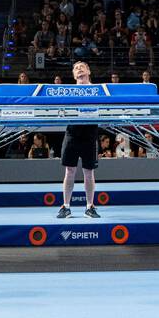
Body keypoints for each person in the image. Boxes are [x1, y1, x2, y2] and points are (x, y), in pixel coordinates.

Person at [57, 60, 102, 219]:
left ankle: (90, 207)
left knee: (89, 173)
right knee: (69, 171)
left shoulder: (98, 90)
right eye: (76, 68)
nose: (79, 70)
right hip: (72, 133)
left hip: (90, 134)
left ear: (88, 71)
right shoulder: (67, 92)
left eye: (82, 67)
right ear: (73, 74)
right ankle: (66, 206)